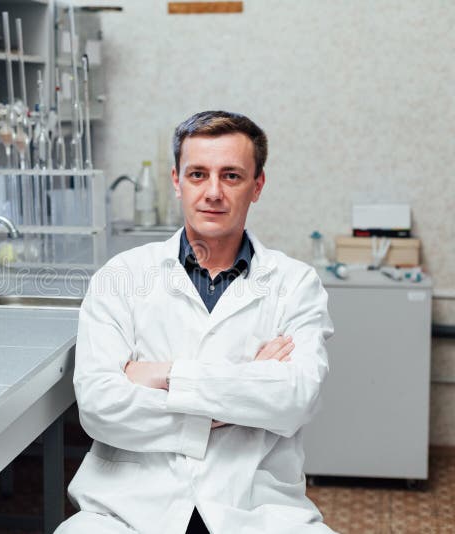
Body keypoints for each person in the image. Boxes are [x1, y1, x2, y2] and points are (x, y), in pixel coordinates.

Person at [55, 111, 334, 534]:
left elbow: (296, 398)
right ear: (177, 181)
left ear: (257, 185)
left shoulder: (295, 283)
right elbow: (99, 407)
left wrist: (165, 375)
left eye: (231, 176)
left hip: (256, 508)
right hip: (128, 509)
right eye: (198, 174)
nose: (213, 192)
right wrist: (243, 393)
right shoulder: (121, 276)